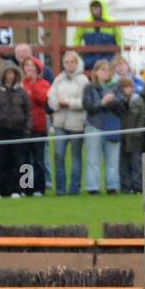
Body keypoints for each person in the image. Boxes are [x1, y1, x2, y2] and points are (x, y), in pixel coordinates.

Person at [0, 61, 31, 198]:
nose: (10, 76)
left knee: (18, 161)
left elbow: (28, 112)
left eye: (13, 73)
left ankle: (17, 189)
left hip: (18, 130)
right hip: (1, 130)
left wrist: (27, 130)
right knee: (1, 161)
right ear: (4, 75)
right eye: (8, 73)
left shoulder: (22, 92)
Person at [48, 51, 91, 195]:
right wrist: (58, 104)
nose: (69, 64)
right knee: (59, 155)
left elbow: (85, 101)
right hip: (60, 122)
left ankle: (74, 188)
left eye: (72, 62)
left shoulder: (83, 80)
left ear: (77, 63)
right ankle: (60, 189)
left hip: (77, 123)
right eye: (66, 62)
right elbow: (51, 97)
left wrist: (70, 103)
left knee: (76, 156)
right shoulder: (58, 79)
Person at [83, 59, 125, 194]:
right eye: (102, 69)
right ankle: (93, 187)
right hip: (94, 126)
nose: (105, 72)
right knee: (93, 160)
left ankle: (112, 186)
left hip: (112, 127)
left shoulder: (116, 87)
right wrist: (102, 102)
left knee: (113, 160)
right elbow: (88, 107)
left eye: (108, 70)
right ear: (95, 72)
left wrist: (112, 101)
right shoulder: (89, 88)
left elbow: (122, 108)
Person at [21, 59, 50, 195]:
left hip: (39, 126)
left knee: (38, 159)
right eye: (27, 65)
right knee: (25, 159)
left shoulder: (44, 84)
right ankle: (26, 188)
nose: (29, 68)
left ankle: (39, 188)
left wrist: (33, 85)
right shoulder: (20, 84)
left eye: (32, 66)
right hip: (23, 126)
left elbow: (43, 100)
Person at [73, 0, 122, 70]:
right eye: (93, 7)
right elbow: (76, 37)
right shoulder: (85, 23)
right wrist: (79, 51)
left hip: (108, 57)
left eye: (97, 6)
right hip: (89, 58)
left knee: (106, 72)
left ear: (103, 8)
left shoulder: (112, 22)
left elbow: (119, 38)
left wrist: (118, 54)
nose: (95, 9)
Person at [117, 76, 145, 193]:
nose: (127, 90)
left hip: (135, 137)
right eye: (124, 87)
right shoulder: (119, 102)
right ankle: (125, 186)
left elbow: (142, 117)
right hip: (123, 137)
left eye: (129, 87)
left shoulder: (138, 100)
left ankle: (137, 186)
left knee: (136, 163)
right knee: (123, 164)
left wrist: (138, 132)